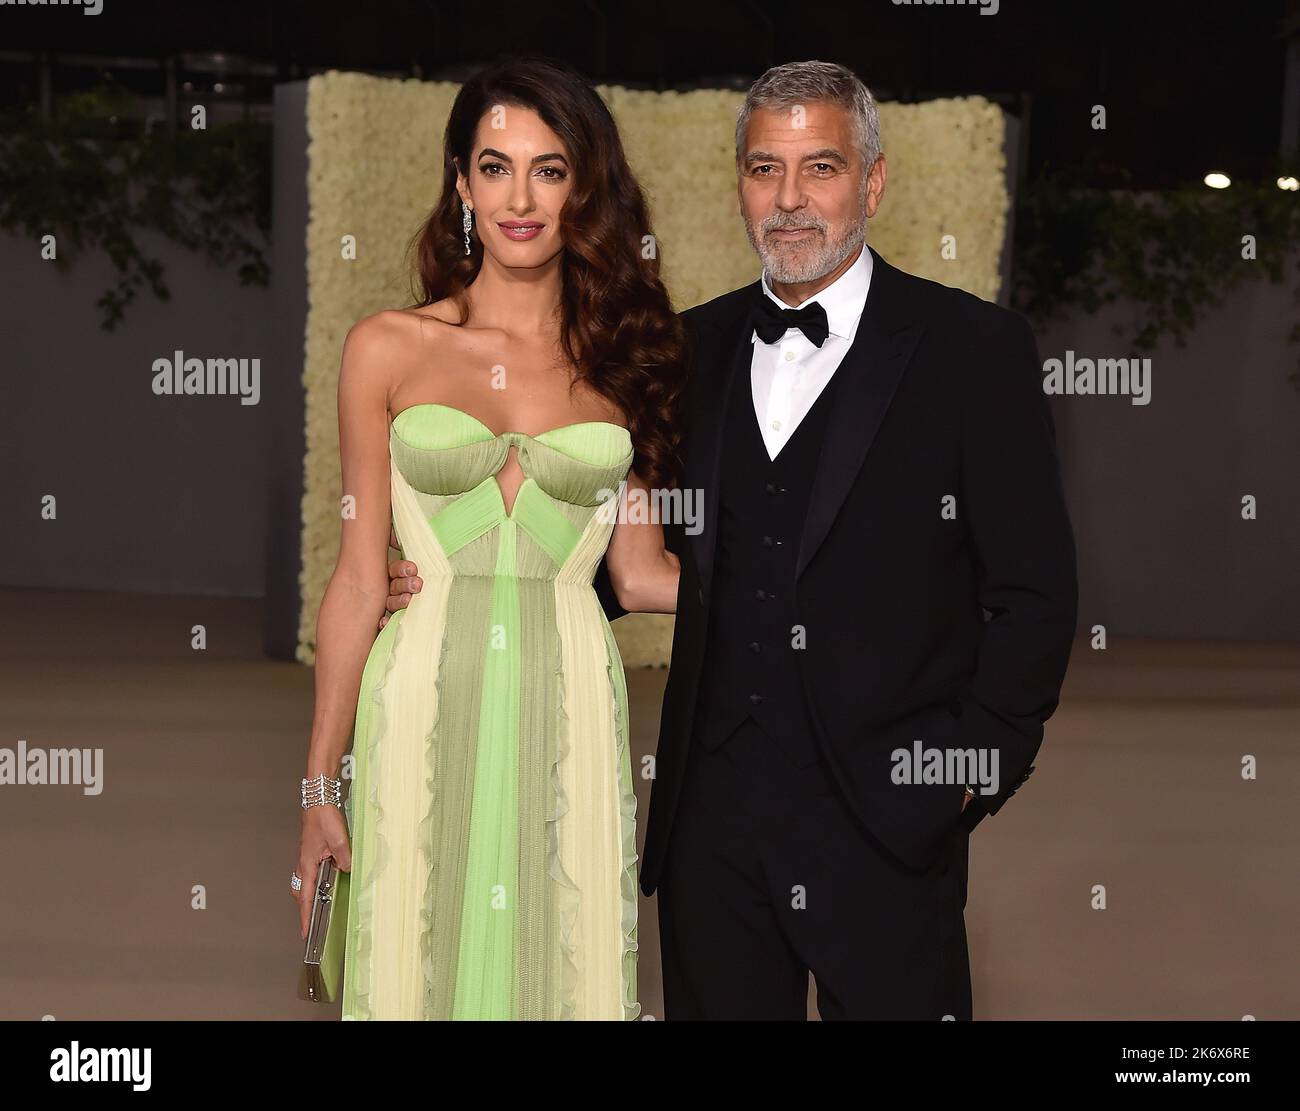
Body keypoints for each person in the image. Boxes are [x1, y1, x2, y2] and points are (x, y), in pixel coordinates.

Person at [386, 59, 1079, 1020]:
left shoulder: (973, 350)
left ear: (872, 182)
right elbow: (621, 563)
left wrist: (964, 779)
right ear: (738, 184)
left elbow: (1036, 593)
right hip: (710, 826)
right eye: (764, 170)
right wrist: (453, 582)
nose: (789, 200)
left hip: (890, 818)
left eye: (821, 168)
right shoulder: (680, 349)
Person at [294, 56, 683, 1021]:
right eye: (495, 166)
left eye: (549, 170)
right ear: (461, 183)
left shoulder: (630, 359)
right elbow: (353, 582)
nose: (521, 197)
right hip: (419, 697)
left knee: (565, 970)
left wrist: (820, 575)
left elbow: (640, 575)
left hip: (573, 713)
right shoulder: (386, 347)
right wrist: (317, 784)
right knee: (412, 968)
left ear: (584, 189)